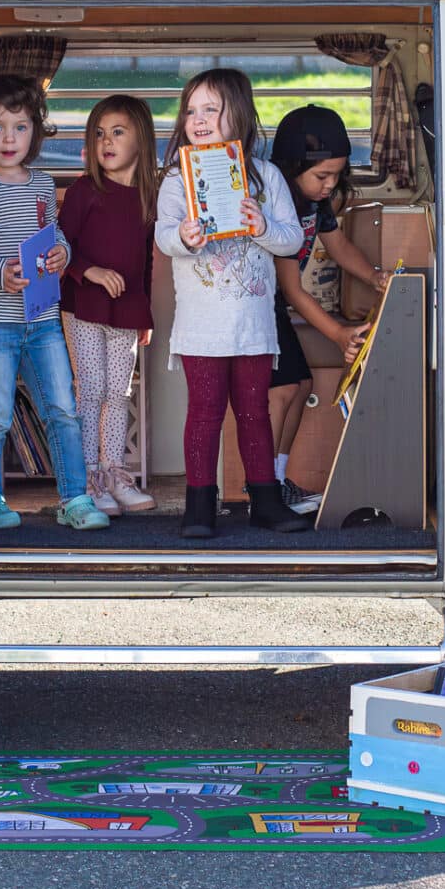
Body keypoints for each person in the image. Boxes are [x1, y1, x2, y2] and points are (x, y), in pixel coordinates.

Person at [154, 68, 306, 538]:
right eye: (190, 111)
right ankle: (199, 505)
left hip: (252, 325)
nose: (197, 120)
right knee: (204, 413)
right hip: (202, 326)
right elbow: (163, 236)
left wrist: (262, 227)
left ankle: (265, 500)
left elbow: (292, 239)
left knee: (254, 411)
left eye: (210, 110)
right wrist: (184, 236)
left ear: (237, 114)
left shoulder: (266, 177)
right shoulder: (177, 180)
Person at [0, 74, 106, 532]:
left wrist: (63, 252)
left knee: (63, 409)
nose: (9, 139)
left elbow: (52, 235)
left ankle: (75, 499)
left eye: (20, 127)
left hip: (42, 319)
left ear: (35, 132)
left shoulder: (42, 183)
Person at [267, 105, 392, 513]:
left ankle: (276, 479)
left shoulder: (314, 203)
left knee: (302, 386)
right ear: (292, 168)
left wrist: (375, 277)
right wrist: (338, 335)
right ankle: (262, 488)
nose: (330, 185)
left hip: (273, 307)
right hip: (258, 308)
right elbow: (292, 288)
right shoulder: (282, 204)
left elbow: (338, 247)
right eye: (322, 176)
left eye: (337, 176)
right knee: (281, 390)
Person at [60, 95, 161, 517]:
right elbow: (59, 249)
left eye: (118, 132)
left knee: (119, 393)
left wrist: (145, 313)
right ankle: (89, 478)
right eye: (99, 133)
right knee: (91, 392)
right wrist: (92, 271)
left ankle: (115, 473)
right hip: (83, 306)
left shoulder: (149, 195)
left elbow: (146, 260)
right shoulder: (84, 191)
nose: (106, 141)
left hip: (127, 310)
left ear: (142, 139)